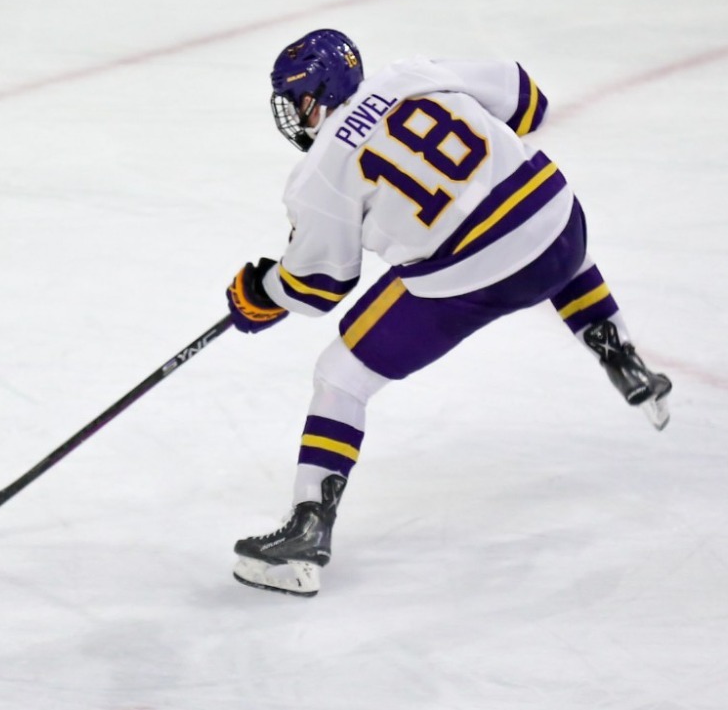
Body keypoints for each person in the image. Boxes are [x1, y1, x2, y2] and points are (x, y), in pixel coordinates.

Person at [222, 30, 672, 597]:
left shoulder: (318, 174)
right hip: (561, 224)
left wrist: (262, 290)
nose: (292, 116)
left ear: (317, 95)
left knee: (340, 376)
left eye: (296, 101)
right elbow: (529, 99)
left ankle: (309, 527)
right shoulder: (413, 73)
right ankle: (619, 353)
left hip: (471, 279)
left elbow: (316, 287)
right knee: (538, 224)